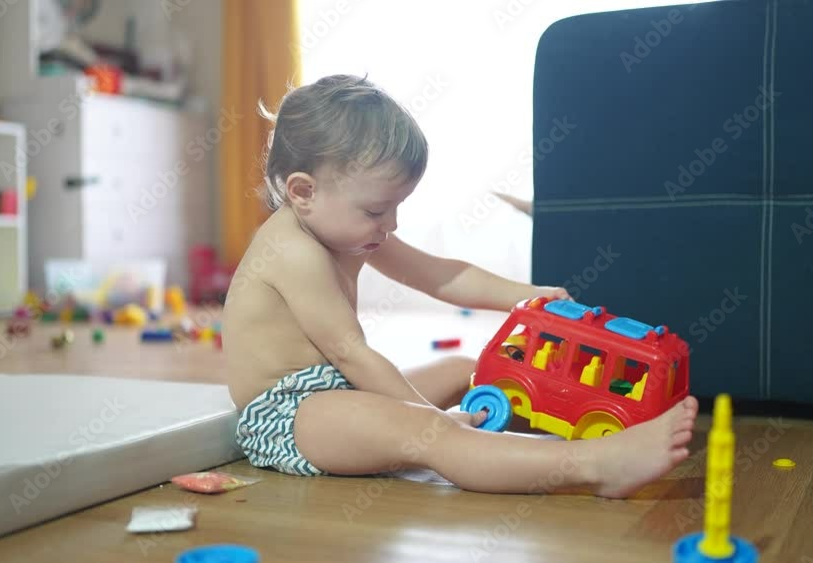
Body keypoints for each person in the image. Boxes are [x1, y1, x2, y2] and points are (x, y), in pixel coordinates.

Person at [221, 74, 697, 498]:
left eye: (396, 207)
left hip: (335, 390)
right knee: (433, 432)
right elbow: (352, 354)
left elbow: (440, 275)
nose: (390, 224)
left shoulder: (345, 228)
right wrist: (432, 417)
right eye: (376, 210)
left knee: (465, 369)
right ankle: (596, 467)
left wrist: (527, 295)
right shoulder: (293, 251)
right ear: (303, 192)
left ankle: (554, 436)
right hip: (289, 416)